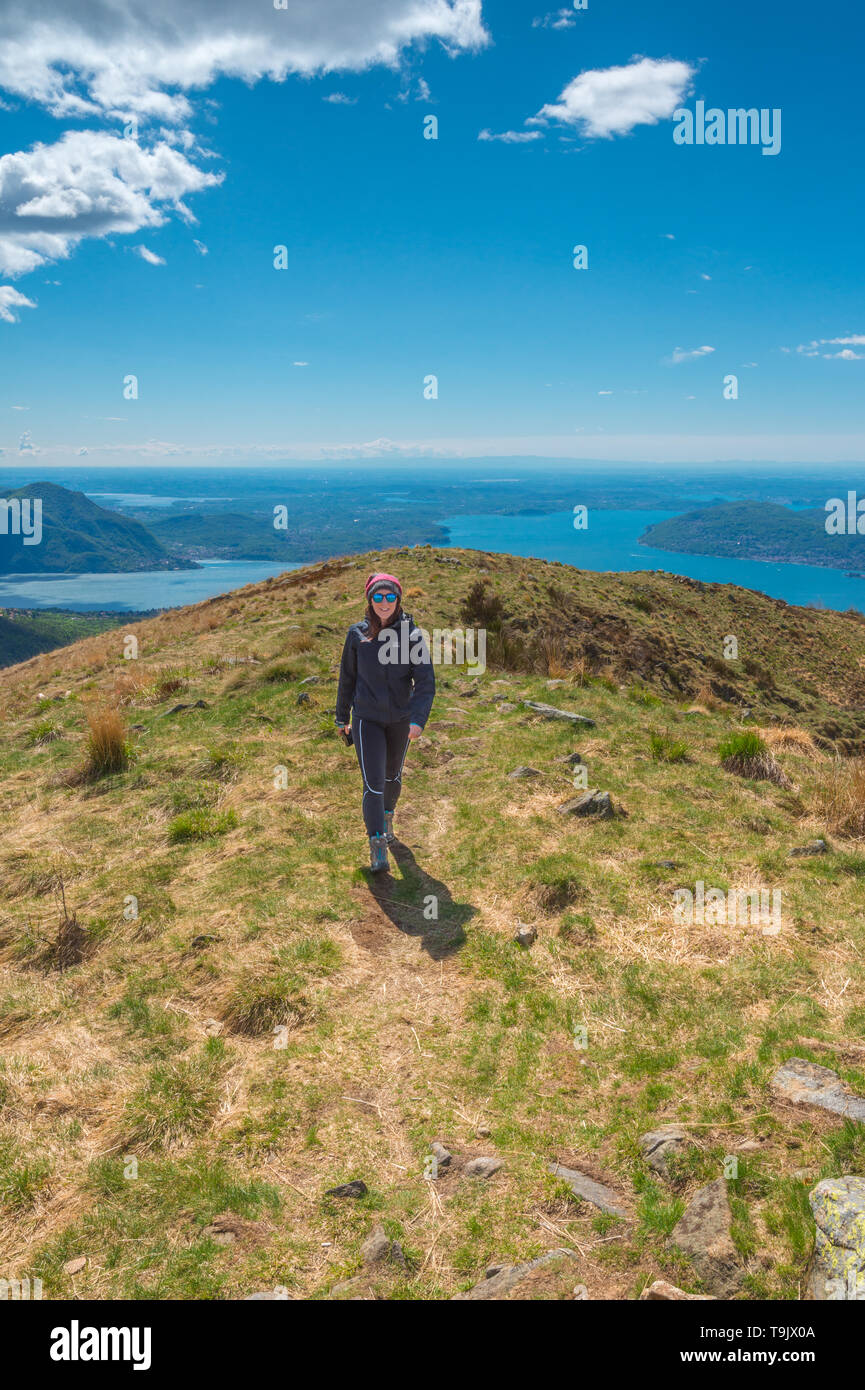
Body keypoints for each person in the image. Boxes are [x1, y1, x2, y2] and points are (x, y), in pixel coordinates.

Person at [335, 572, 435, 871]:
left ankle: (388, 818)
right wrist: (342, 717)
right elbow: (347, 679)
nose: (384, 602)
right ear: (369, 599)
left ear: (398, 600)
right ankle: (377, 844)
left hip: (401, 720)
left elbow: (425, 682)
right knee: (374, 784)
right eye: (378, 596)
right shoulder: (357, 635)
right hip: (367, 719)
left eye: (390, 596)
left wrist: (418, 720)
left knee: (392, 777)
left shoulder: (413, 636)